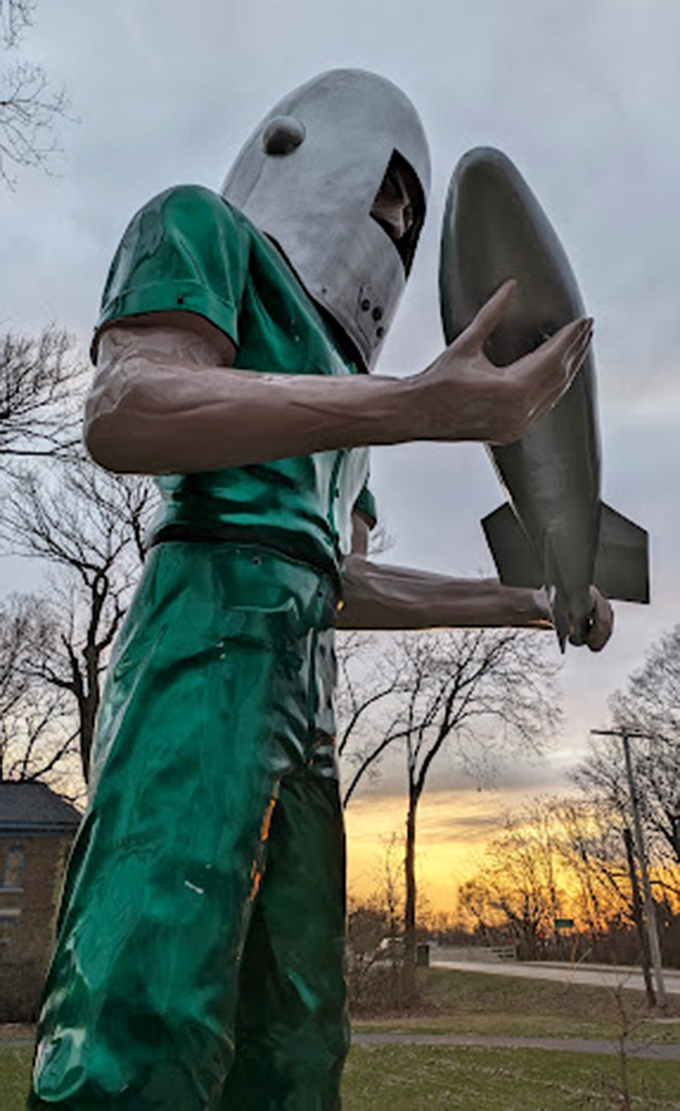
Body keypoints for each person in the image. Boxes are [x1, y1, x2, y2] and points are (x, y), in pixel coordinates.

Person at [28, 69, 612, 1111]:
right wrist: (408, 403)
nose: (391, 228)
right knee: (153, 959)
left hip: (307, 685)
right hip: (201, 626)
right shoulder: (202, 229)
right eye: (387, 190)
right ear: (293, 145)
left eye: (409, 216)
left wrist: (524, 600)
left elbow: (341, 577)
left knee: (299, 1011)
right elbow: (128, 405)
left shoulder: (349, 407)